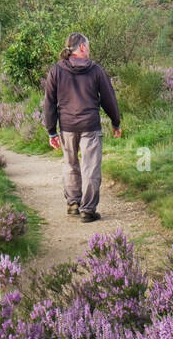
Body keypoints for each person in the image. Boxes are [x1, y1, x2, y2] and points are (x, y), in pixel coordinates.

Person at [42, 32, 122, 222]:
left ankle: (73, 204)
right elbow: (108, 99)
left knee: (70, 165)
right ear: (82, 48)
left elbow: (49, 103)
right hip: (90, 126)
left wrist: (51, 130)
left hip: (67, 127)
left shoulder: (56, 70)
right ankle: (88, 210)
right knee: (91, 167)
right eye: (88, 45)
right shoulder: (95, 70)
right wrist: (115, 122)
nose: (90, 49)